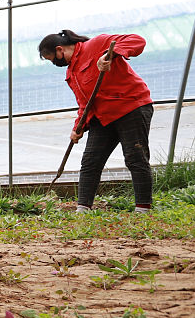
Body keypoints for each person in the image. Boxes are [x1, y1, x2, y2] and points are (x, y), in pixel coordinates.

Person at [38, 30, 154, 212]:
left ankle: (143, 209)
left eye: (53, 59)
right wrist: (78, 128)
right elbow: (85, 103)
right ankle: (83, 209)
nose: (55, 63)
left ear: (59, 49)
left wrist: (110, 54)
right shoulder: (71, 73)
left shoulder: (97, 44)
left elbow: (137, 41)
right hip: (103, 118)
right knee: (91, 161)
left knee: (135, 157)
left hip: (130, 107)